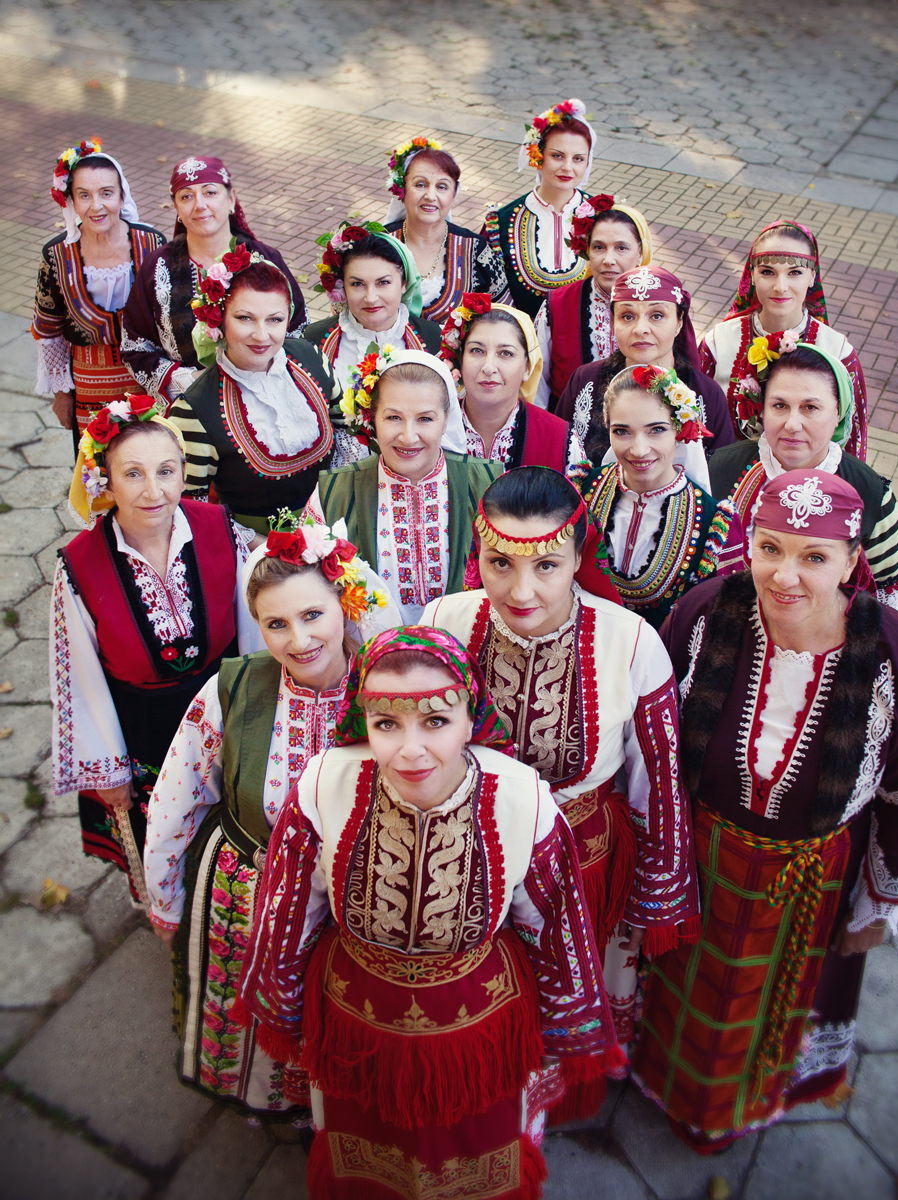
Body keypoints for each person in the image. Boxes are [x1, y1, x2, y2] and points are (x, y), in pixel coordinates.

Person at [234, 626, 619, 1198]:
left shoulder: (521, 797)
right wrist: (284, 1011)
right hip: (357, 1031)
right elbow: (290, 910)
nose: (410, 750)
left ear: (472, 718)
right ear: (364, 722)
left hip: (477, 1035)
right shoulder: (325, 782)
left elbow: (556, 928)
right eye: (387, 724)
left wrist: (564, 1031)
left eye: (436, 722)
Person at [635, 470, 898, 1154]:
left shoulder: (897, 656)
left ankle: (736, 1106)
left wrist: (880, 905)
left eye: (814, 557)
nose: (785, 577)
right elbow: (651, 749)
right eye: (771, 549)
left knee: (769, 1010)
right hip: (700, 863)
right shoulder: (703, 615)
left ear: (851, 561)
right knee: (681, 989)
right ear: (748, 545)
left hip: (812, 889)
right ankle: (671, 1085)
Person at [422, 467, 700, 1117]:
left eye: (547, 565)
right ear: (478, 556)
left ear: (580, 556)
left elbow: (654, 783)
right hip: (469, 864)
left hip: (581, 865)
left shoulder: (631, 642)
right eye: (500, 563)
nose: (522, 590)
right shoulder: (444, 620)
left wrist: (654, 896)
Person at [145, 516, 399, 1118]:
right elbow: (177, 797)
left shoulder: (390, 687)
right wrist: (164, 894)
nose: (298, 639)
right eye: (276, 624)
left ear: (346, 604)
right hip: (250, 891)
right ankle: (269, 1098)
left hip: (359, 905)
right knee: (260, 1024)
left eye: (312, 615)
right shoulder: (232, 689)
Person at [50, 399, 260, 906]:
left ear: (184, 472)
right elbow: (77, 676)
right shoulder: (79, 566)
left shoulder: (218, 528)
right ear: (105, 480)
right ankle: (169, 913)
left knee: (224, 828)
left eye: (166, 471)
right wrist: (109, 768)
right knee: (159, 838)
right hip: (141, 729)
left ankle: (223, 909)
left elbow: (252, 631)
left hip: (218, 714)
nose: (153, 491)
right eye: (133, 474)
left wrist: (258, 714)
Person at [709, 344, 898, 612]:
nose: (792, 424)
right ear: (763, 408)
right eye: (779, 405)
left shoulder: (871, 493)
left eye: (810, 407)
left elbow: (889, 599)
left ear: (838, 412)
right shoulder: (718, 470)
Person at [302, 349, 501, 622]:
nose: (408, 437)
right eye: (393, 417)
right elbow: (308, 592)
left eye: (425, 419)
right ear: (372, 418)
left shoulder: (489, 484)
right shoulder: (333, 491)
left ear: (446, 420)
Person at [166, 248, 336, 535]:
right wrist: (259, 547)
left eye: (275, 319)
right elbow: (190, 511)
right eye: (245, 318)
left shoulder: (312, 358)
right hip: (254, 554)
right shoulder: (194, 410)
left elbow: (345, 436)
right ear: (218, 319)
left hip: (335, 529)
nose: (261, 335)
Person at [120, 155, 307, 409]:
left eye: (210, 192)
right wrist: (186, 380)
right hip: (187, 406)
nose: (199, 205)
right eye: (186, 196)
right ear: (175, 207)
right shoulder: (157, 268)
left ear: (231, 200)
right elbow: (136, 346)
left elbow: (298, 331)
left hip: (262, 400)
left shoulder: (265, 259)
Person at [583, 365, 745, 627]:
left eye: (656, 430)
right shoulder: (584, 490)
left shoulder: (712, 522)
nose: (639, 449)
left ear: (678, 431)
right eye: (622, 431)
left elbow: (719, 622)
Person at [32, 138, 165, 449]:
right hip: (89, 384)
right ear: (71, 202)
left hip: (149, 378)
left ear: (122, 196)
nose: (96, 206)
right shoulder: (56, 255)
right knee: (97, 471)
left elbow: (172, 318)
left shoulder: (152, 245)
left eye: (106, 193)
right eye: (84, 195)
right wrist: (62, 393)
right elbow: (48, 329)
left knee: (148, 460)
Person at [699, 219, 868, 460]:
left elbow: (852, 445)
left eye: (794, 273)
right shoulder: (719, 342)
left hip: (806, 488)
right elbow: (694, 422)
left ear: (812, 277)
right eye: (768, 272)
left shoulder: (838, 352)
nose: (780, 286)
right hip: (726, 482)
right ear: (752, 275)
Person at [556, 267, 735, 466]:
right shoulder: (585, 380)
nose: (640, 329)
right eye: (627, 316)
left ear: (679, 322)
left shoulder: (707, 394)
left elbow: (720, 473)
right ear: (613, 322)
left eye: (657, 315)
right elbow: (558, 450)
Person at [306, 218, 444, 465]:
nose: (371, 298)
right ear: (342, 288)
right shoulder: (314, 341)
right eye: (357, 284)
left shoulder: (434, 340)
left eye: (383, 283)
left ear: (404, 284)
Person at [439, 293, 588, 477]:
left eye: (505, 353)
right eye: (477, 350)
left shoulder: (561, 441)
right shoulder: (435, 432)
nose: (488, 367)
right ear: (460, 361)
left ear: (527, 367)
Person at [533, 195, 651, 409]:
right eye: (599, 247)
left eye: (621, 248)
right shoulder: (557, 305)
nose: (608, 259)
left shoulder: (663, 304)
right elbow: (537, 383)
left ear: (640, 251)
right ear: (586, 250)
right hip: (569, 431)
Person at [484, 98, 596, 321]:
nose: (567, 167)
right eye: (557, 155)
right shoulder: (501, 222)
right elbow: (489, 296)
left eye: (578, 159)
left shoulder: (604, 218)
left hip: (588, 349)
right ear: (538, 155)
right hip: (520, 346)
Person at [382, 136, 512, 322]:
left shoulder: (475, 250)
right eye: (420, 184)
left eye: (442, 187)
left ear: (454, 194)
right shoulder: (379, 244)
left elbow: (504, 316)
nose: (430, 196)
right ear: (401, 190)